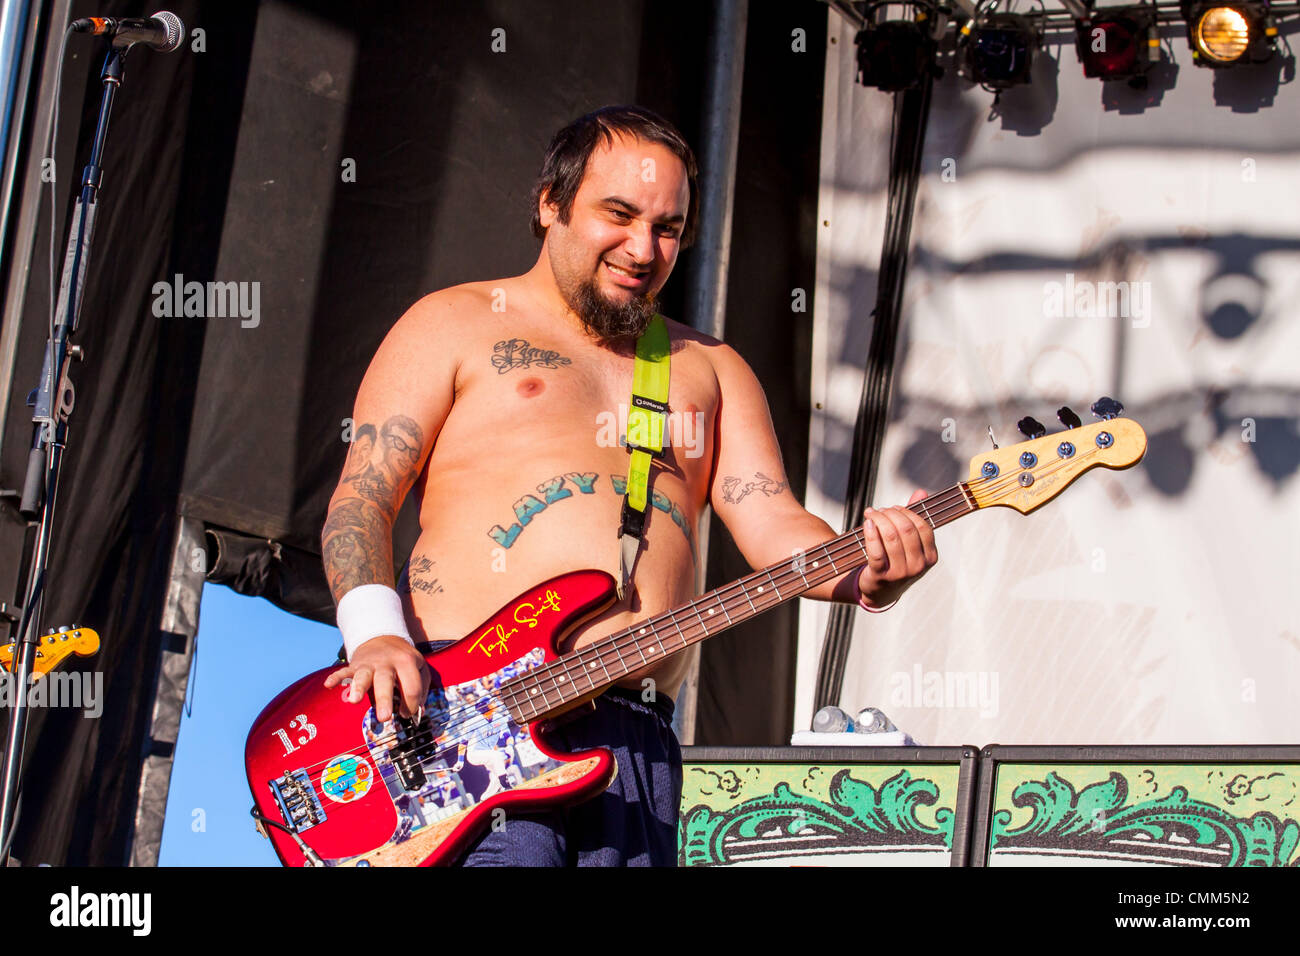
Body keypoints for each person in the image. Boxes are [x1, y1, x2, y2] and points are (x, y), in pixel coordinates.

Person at [319, 105, 939, 866]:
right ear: (551, 202)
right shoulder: (451, 322)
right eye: (619, 215)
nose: (644, 249)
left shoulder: (711, 367)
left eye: (669, 227)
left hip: (637, 739)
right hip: (465, 720)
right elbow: (362, 497)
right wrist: (375, 634)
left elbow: (771, 520)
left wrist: (867, 569)